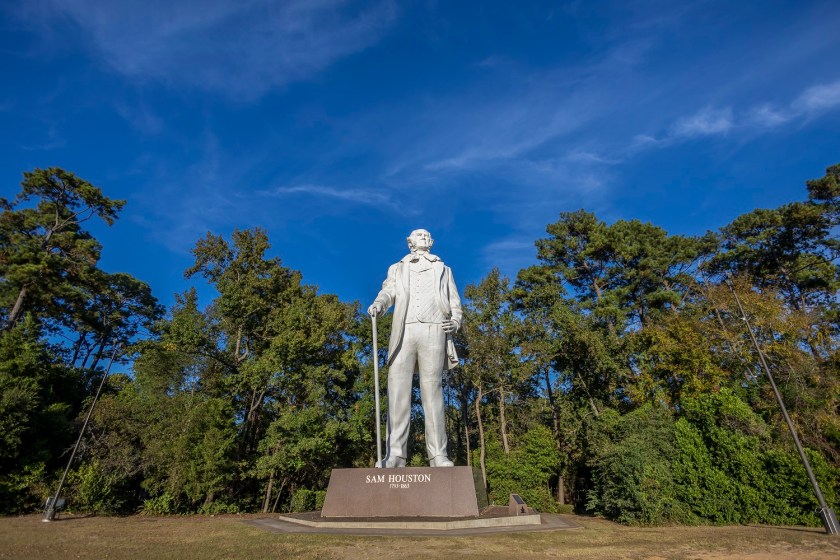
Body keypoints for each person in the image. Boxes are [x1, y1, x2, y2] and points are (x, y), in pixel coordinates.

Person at [368, 229, 462, 468]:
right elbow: (389, 291)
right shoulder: (397, 268)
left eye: (427, 235)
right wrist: (379, 304)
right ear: (410, 242)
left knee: (432, 392)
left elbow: (454, 301)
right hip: (404, 330)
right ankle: (395, 455)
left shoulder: (444, 269)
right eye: (419, 235)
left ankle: (438, 455)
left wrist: (456, 321)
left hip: (435, 328)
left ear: (431, 242)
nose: (424, 237)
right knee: (398, 392)